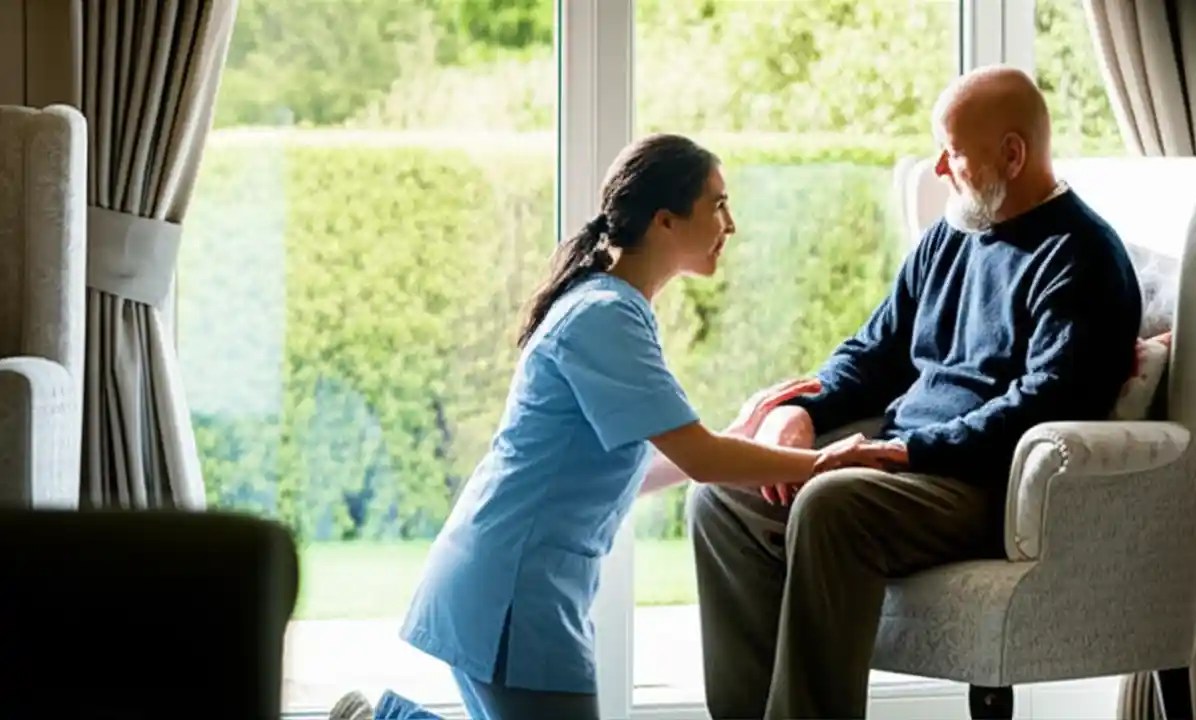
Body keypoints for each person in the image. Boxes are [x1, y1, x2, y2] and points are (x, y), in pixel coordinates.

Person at [329, 133, 878, 720]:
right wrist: (824, 462)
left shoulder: (612, 307)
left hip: (508, 584)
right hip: (514, 591)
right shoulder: (605, 315)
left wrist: (737, 437)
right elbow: (702, 461)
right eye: (718, 204)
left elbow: (640, 466)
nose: (731, 223)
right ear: (665, 220)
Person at [686, 65, 1144, 720]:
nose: (937, 168)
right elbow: (872, 353)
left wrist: (905, 453)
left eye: (952, 151)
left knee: (831, 503)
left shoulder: (1083, 258)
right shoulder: (951, 235)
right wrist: (801, 412)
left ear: (1012, 155)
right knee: (722, 500)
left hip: (983, 483)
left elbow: (1045, 406)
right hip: (906, 466)